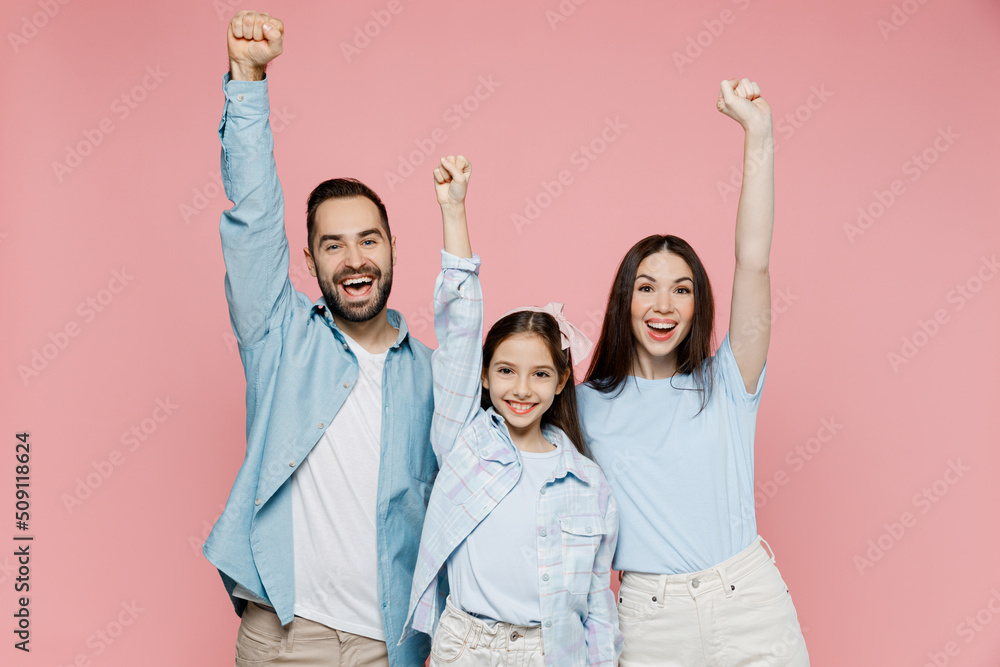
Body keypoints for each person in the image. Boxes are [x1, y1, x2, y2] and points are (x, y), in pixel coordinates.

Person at [202, 11, 437, 666]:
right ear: (309, 261)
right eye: (332, 244)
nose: (353, 259)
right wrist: (247, 82)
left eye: (368, 239)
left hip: (388, 643)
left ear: (392, 249)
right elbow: (253, 219)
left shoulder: (434, 376)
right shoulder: (278, 336)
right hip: (283, 633)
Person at [577, 78, 810, 665]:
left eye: (681, 290)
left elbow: (752, 261)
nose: (663, 305)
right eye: (647, 288)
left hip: (749, 603)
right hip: (651, 622)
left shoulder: (727, 381)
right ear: (623, 300)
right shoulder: (581, 405)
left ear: (698, 304)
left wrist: (760, 136)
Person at [398, 155, 622, 666]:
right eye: (505, 371)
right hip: (467, 646)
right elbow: (458, 333)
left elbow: (597, 604)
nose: (521, 389)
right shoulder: (464, 442)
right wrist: (454, 211)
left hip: (548, 652)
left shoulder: (589, 484)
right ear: (482, 375)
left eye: (540, 374)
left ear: (562, 380)